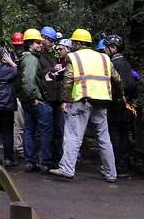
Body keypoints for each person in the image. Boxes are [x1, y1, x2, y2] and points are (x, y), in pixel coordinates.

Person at [49, 28, 122, 184]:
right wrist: (119, 96)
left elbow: (68, 80)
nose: (72, 44)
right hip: (101, 102)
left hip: (80, 101)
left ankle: (67, 169)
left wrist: (64, 100)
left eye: (74, 42)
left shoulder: (73, 57)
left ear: (78, 43)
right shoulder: (104, 58)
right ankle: (111, 173)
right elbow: (117, 79)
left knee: (73, 136)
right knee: (104, 138)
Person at [18, 29, 52, 172]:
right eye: (37, 42)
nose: (40, 44)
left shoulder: (26, 58)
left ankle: (30, 161)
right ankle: (45, 161)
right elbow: (27, 81)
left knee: (29, 130)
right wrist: (34, 98)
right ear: (30, 44)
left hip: (27, 100)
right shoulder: (31, 59)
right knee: (45, 128)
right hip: (33, 100)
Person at [105, 34, 137, 177]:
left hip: (116, 105)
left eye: (107, 47)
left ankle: (115, 165)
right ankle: (123, 164)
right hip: (127, 104)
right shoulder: (125, 63)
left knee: (115, 135)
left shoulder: (114, 64)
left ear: (113, 48)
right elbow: (133, 85)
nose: (105, 50)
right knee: (124, 134)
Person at [39, 26, 64, 169]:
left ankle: (57, 159)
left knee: (58, 130)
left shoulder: (52, 55)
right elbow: (39, 73)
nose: (52, 44)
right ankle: (45, 160)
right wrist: (51, 70)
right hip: (46, 97)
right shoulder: (38, 55)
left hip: (56, 97)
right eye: (50, 40)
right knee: (46, 130)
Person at [10, 31, 26, 157]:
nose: (18, 48)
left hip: (24, 93)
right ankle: (18, 147)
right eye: (16, 45)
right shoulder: (9, 57)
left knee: (22, 123)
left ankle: (20, 146)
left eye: (20, 45)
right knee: (18, 123)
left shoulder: (27, 56)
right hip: (13, 94)